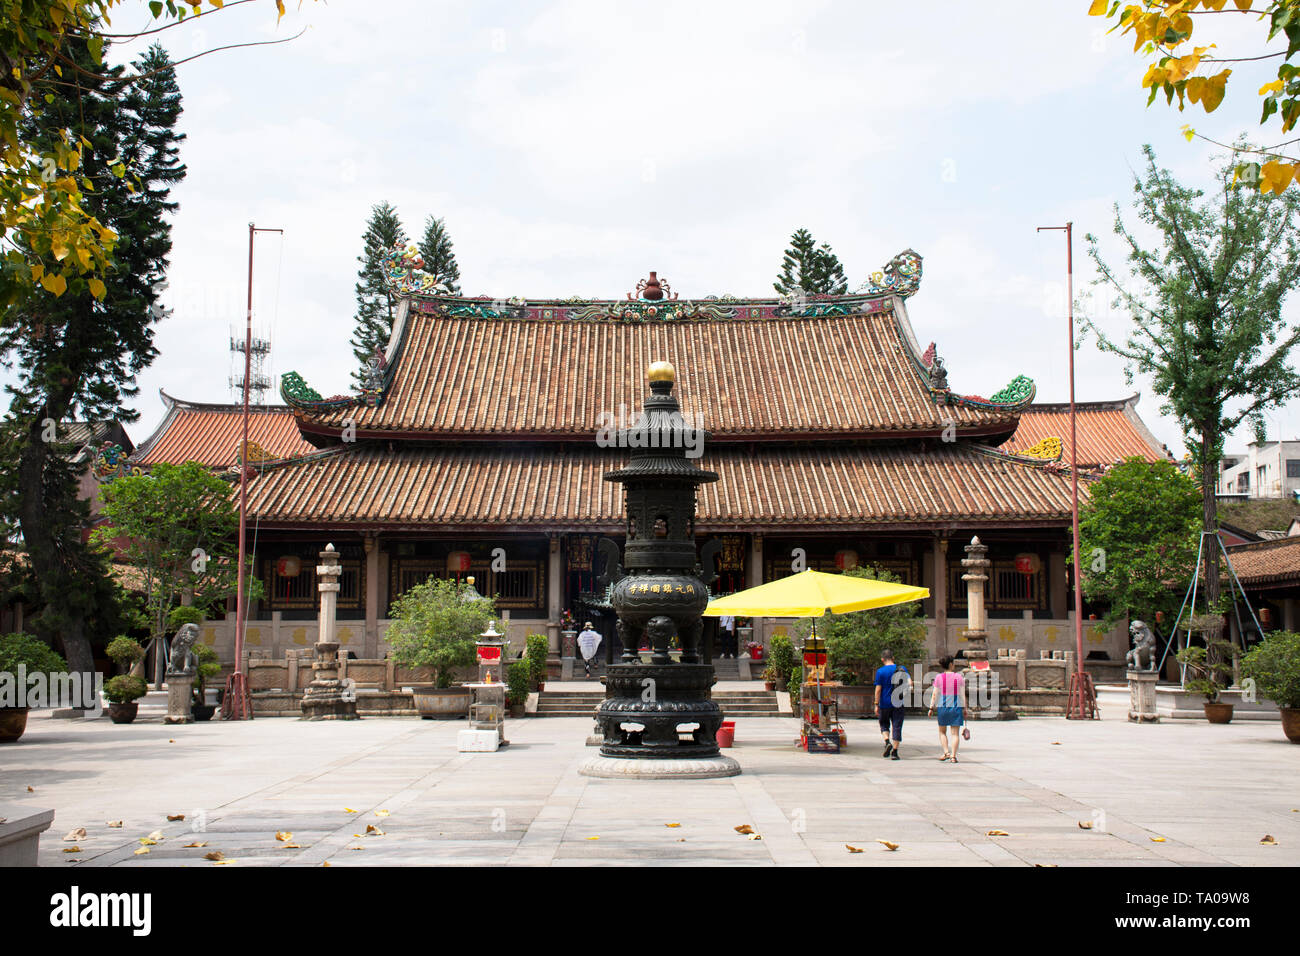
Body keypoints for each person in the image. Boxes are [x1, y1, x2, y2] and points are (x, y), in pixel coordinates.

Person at [873, 648, 910, 760]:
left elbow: (878, 690)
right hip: (898, 703)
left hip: (884, 703)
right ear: (893, 658)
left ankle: (886, 741)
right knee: (897, 726)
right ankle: (895, 752)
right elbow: (910, 683)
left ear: (882, 659)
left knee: (884, 724)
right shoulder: (902, 669)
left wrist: (876, 704)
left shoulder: (880, 671)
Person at [928, 656, 966, 763]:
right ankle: (953, 756)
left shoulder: (939, 677)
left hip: (943, 706)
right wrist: (965, 708)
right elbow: (962, 695)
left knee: (942, 732)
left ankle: (946, 752)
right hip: (956, 706)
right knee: (955, 733)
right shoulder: (959, 677)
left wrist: (931, 707)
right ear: (950, 664)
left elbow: (935, 694)